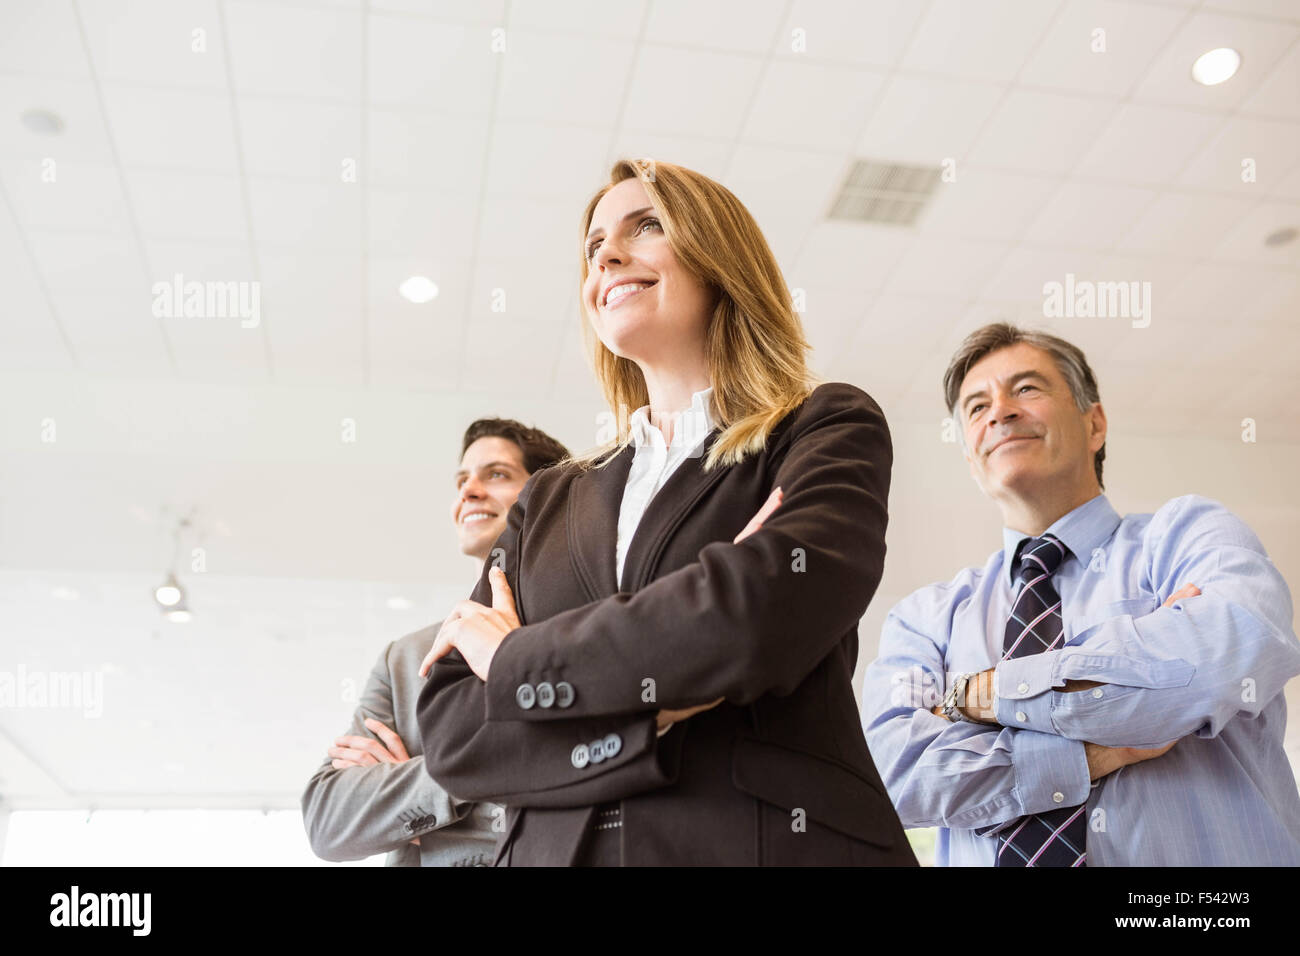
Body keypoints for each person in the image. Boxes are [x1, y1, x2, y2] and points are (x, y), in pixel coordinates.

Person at [414, 158, 917, 866]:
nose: (608, 257)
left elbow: (751, 614)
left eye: (646, 226)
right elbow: (453, 732)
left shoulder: (823, 427)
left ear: (721, 259)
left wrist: (513, 659)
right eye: (593, 247)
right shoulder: (548, 499)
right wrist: (649, 712)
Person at [862, 322, 1300, 866]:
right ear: (971, 460)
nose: (1000, 411)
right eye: (976, 407)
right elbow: (892, 775)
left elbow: (1230, 650)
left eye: (1026, 388)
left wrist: (973, 697)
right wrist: (1088, 752)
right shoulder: (926, 617)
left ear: (1094, 423)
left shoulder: (1185, 535)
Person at [301, 418, 570, 865]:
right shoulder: (404, 660)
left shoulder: (582, 631)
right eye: (462, 480)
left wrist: (408, 793)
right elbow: (328, 823)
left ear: (545, 497)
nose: (469, 492)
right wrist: (477, 768)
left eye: (496, 474)